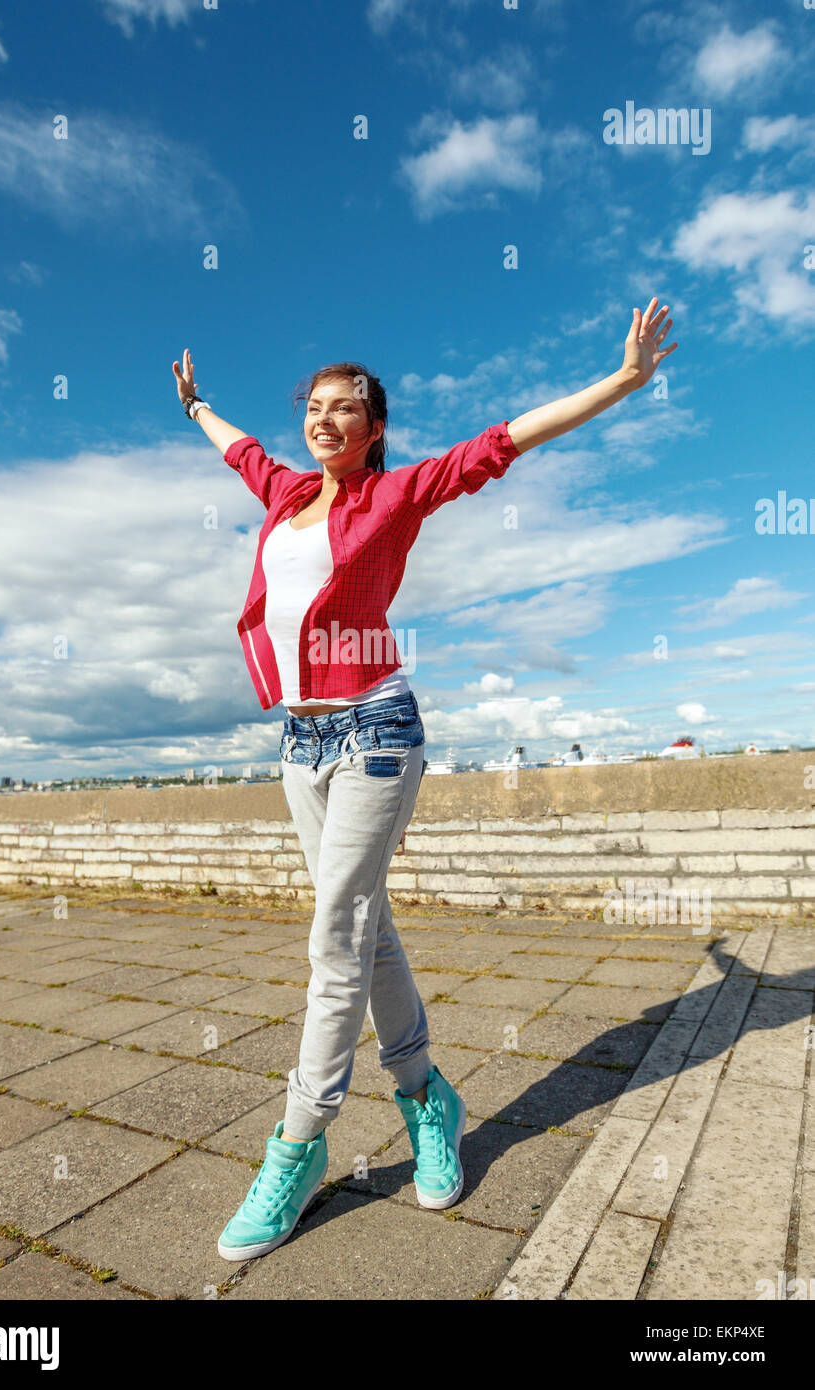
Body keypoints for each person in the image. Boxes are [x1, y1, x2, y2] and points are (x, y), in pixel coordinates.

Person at [171, 298, 678, 1261]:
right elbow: (239, 450)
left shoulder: (396, 494)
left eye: (344, 407)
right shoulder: (284, 492)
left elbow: (503, 442)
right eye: (313, 406)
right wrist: (197, 408)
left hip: (375, 731)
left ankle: (297, 1144)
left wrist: (622, 381)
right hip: (300, 743)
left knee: (335, 936)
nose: (324, 418)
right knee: (367, 929)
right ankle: (427, 1098)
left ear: (374, 428)